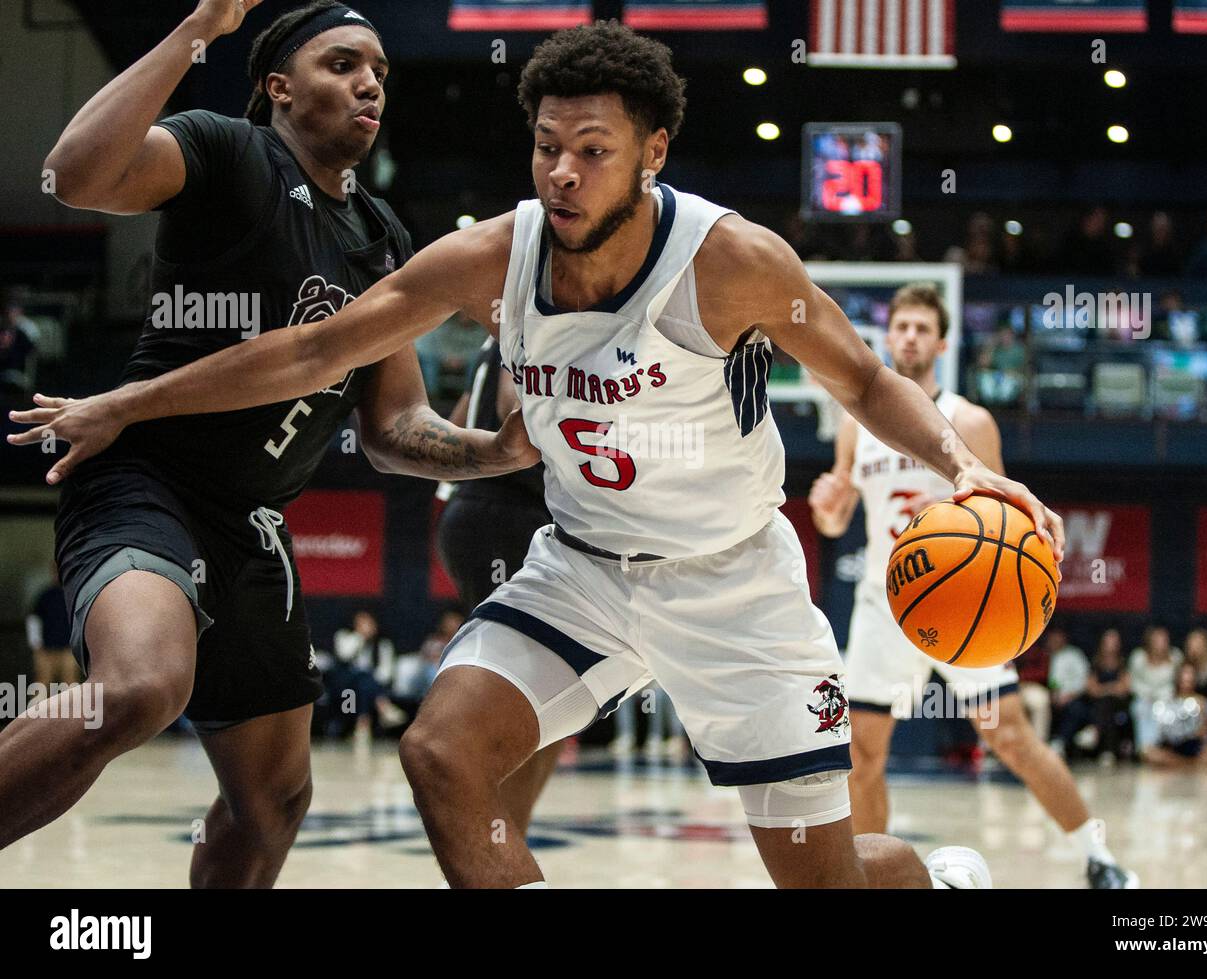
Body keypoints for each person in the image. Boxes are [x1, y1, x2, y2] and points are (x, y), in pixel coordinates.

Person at [9, 21, 1074, 890]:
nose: (562, 172)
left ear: (652, 153)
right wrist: (132, 401)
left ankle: (938, 879)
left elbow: (867, 380)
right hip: (583, 565)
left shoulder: (734, 260)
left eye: (594, 149)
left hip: (730, 582)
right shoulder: (492, 251)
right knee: (440, 754)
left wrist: (958, 464)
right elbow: (315, 349)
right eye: (547, 145)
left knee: (824, 881)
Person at [0, 0, 535, 884]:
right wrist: (194, 29)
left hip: (255, 529)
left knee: (276, 799)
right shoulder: (225, 149)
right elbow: (75, 176)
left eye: (380, 71)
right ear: (279, 87)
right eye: (342, 64)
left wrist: (496, 450)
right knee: (141, 685)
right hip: (148, 484)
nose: (370, 82)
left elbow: (393, 426)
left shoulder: (382, 235)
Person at [809, 283, 1137, 888]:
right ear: (889, 336)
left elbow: (1004, 521)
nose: (907, 336)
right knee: (861, 757)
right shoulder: (856, 423)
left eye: (919, 328)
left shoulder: (969, 421)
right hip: (886, 607)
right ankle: (869, 878)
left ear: (941, 341)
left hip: (968, 602)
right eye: (899, 326)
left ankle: (1101, 857)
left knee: (1011, 737)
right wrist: (828, 508)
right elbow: (836, 516)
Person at [434, 336, 564, 829]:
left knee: (552, 690)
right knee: (530, 689)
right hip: (507, 516)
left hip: (475, 513)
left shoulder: (494, 340)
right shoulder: (532, 326)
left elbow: (462, 414)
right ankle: (497, 833)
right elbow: (516, 408)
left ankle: (509, 831)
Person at [327, 610, 406, 736]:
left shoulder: (383, 645)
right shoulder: (344, 636)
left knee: (364, 683)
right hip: (345, 685)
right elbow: (344, 656)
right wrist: (360, 636)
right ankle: (384, 707)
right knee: (362, 676)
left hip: (370, 687)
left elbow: (386, 674)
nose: (365, 627)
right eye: (361, 623)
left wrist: (370, 678)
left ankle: (362, 724)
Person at [1143, 663, 1207, 769]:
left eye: (1190, 674)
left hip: (1195, 746)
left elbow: (1206, 733)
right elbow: (1161, 730)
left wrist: (1195, 736)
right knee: (1149, 754)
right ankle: (1188, 763)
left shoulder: (1201, 701)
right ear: (1177, 677)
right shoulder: (1168, 701)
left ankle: (1186, 762)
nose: (1187, 678)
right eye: (1184, 674)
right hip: (1173, 747)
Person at [27, 564, 80, 697]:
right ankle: (38, 715)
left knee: (70, 684)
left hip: (69, 649)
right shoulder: (45, 596)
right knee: (42, 685)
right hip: (46, 649)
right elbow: (34, 619)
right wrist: (36, 644)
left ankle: (72, 717)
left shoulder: (74, 594)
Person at [1128, 625, 1181, 755]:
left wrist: (1161, 697)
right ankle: (1144, 749)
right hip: (1143, 699)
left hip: (1168, 699)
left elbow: (1178, 683)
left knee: (1164, 710)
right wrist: (1147, 695)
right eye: (1157, 640)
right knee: (1140, 708)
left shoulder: (1176, 657)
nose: (1160, 644)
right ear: (1150, 641)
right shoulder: (1138, 657)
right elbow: (1132, 682)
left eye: (1163, 640)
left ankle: (1160, 749)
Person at [1086, 631, 1131, 763]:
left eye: (1114, 641)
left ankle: (1095, 733)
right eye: (1108, 641)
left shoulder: (1123, 662)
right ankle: (1107, 750)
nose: (1111, 645)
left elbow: (1124, 688)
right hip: (1098, 703)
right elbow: (1092, 689)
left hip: (1119, 703)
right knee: (1105, 705)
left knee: (1108, 704)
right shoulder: (1095, 662)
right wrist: (1112, 688)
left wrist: (1104, 689)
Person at [1046, 626, 1091, 755]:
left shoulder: (1074, 655)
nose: (1054, 640)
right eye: (1052, 638)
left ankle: (1060, 741)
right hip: (1048, 696)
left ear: (1064, 638)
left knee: (1076, 708)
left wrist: (1069, 695)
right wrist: (1052, 695)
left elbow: (1084, 681)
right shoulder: (1043, 655)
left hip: (1072, 697)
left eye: (1057, 637)